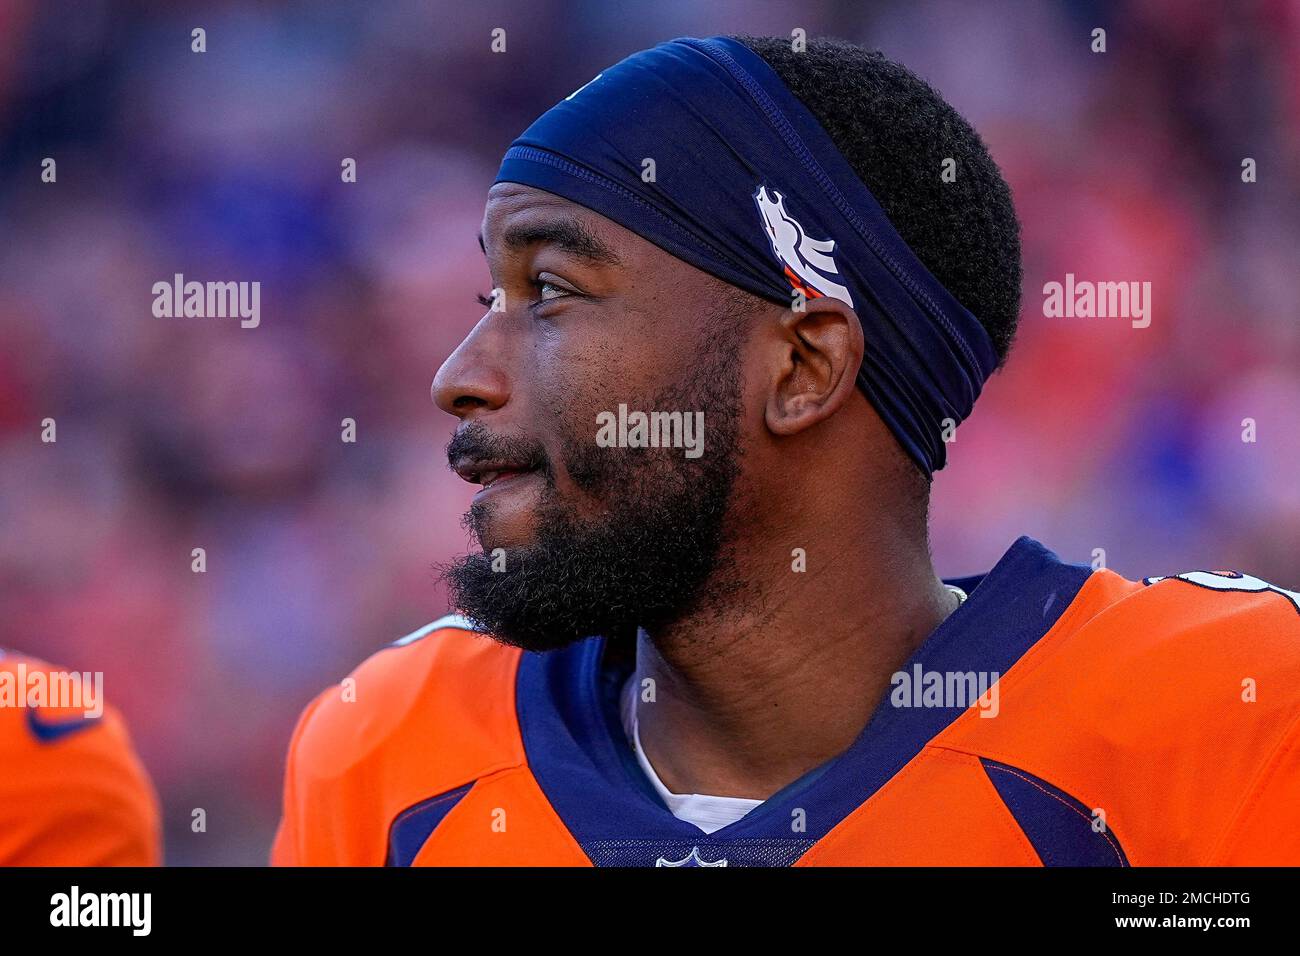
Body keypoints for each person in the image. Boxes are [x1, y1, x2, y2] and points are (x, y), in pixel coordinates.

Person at [272, 35, 1300, 867]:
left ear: (804, 366)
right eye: (484, 297)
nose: (460, 371)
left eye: (550, 291)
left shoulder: (1217, 714)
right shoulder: (391, 751)